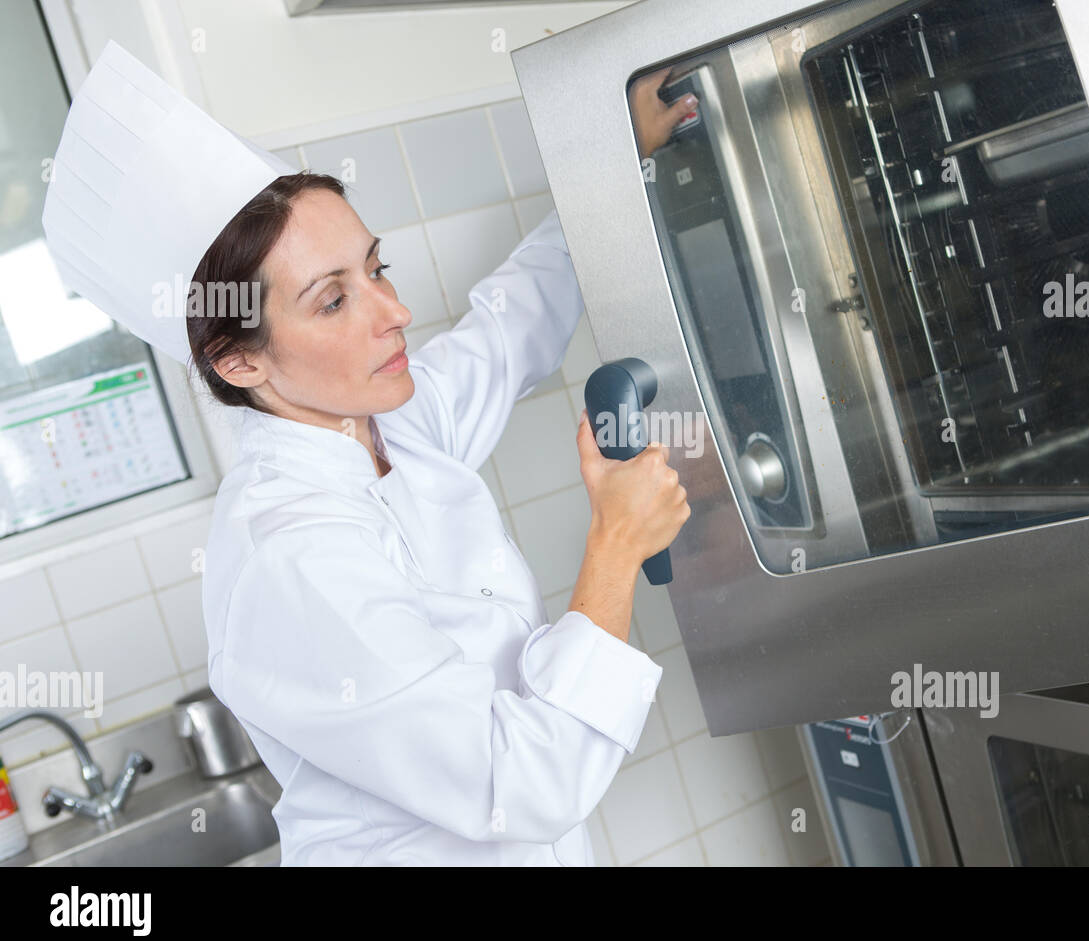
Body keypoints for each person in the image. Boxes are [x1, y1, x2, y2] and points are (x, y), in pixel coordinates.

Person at [41, 41, 696, 865]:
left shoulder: (383, 421)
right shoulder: (294, 557)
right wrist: (617, 547)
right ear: (240, 361)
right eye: (334, 299)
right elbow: (522, 781)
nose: (394, 310)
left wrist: (612, 158)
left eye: (376, 268)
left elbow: (512, 325)